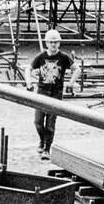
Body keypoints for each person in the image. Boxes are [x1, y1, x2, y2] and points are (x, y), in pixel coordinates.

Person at [27, 28, 79, 160]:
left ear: (59, 43)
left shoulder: (63, 57)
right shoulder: (41, 57)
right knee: (38, 121)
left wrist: (71, 83)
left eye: (56, 42)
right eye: (51, 42)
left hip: (56, 94)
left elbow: (77, 69)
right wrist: (28, 82)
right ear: (47, 43)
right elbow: (28, 68)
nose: (53, 44)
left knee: (50, 124)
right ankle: (42, 140)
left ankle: (46, 149)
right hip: (42, 93)